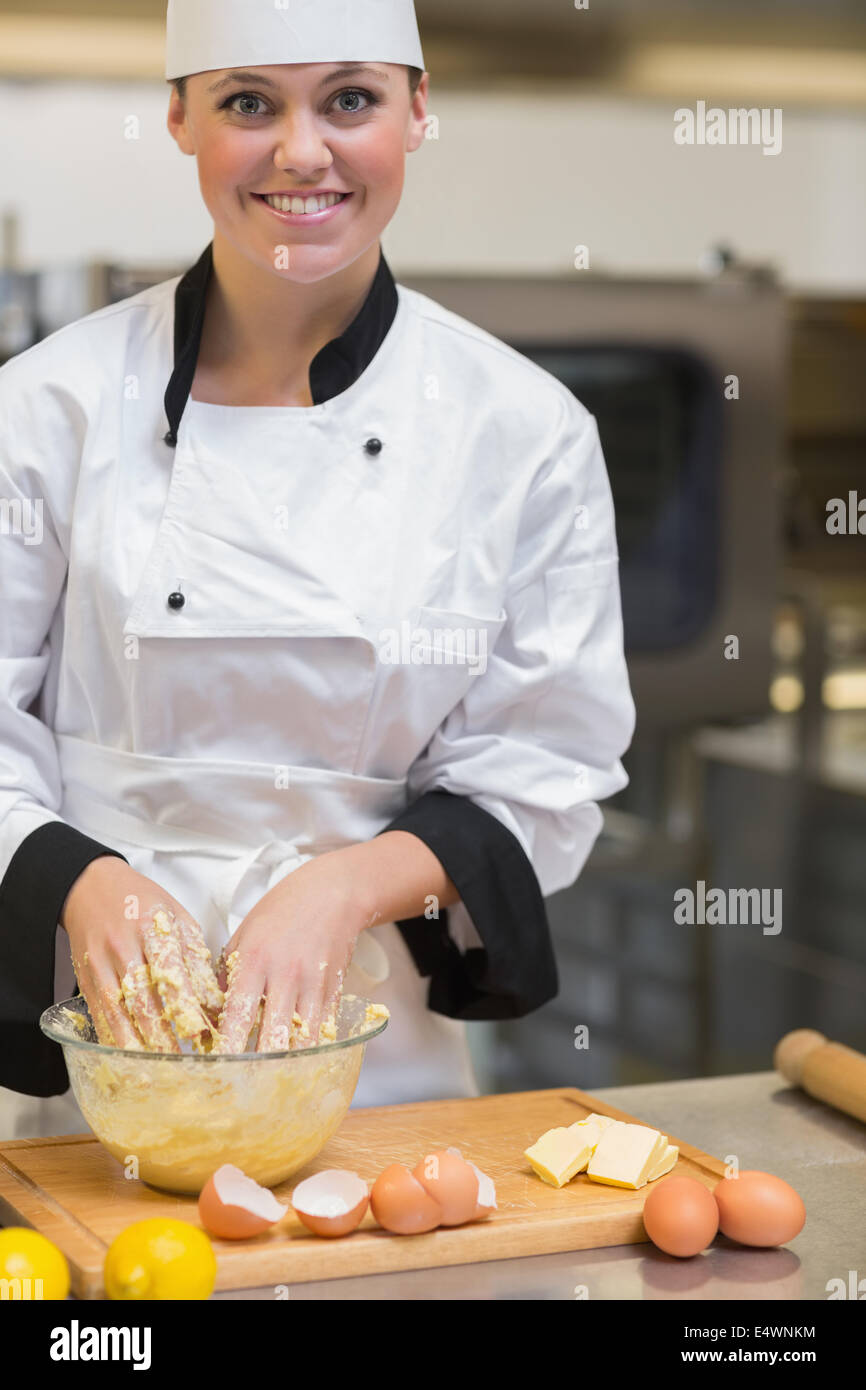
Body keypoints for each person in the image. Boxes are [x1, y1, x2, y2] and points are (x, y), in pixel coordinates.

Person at [0, 0, 635, 1136]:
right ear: (180, 119)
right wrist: (80, 880)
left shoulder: (521, 431)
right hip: (101, 1056)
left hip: (374, 1055)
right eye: (248, 101)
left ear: (417, 111)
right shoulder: (47, 409)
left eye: (350, 99)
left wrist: (341, 887)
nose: (302, 151)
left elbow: (548, 768)